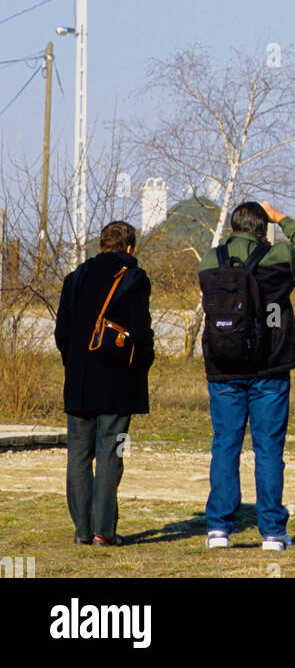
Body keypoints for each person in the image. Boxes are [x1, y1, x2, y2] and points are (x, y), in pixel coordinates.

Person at [198, 200, 295, 551]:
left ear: (234, 227)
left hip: (223, 368)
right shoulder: (278, 260)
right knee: (268, 449)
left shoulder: (211, 262)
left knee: (225, 445)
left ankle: (219, 529)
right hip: (270, 367)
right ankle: (271, 532)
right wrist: (282, 218)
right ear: (263, 227)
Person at [54, 220, 155, 545]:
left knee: (78, 456)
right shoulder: (135, 278)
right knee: (112, 453)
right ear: (130, 247)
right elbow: (140, 333)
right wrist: (142, 364)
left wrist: (74, 362)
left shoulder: (75, 278)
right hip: (118, 384)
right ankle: (104, 531)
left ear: (101, 244)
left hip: (79, 382)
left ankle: (82, 531)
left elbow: (61, 334)